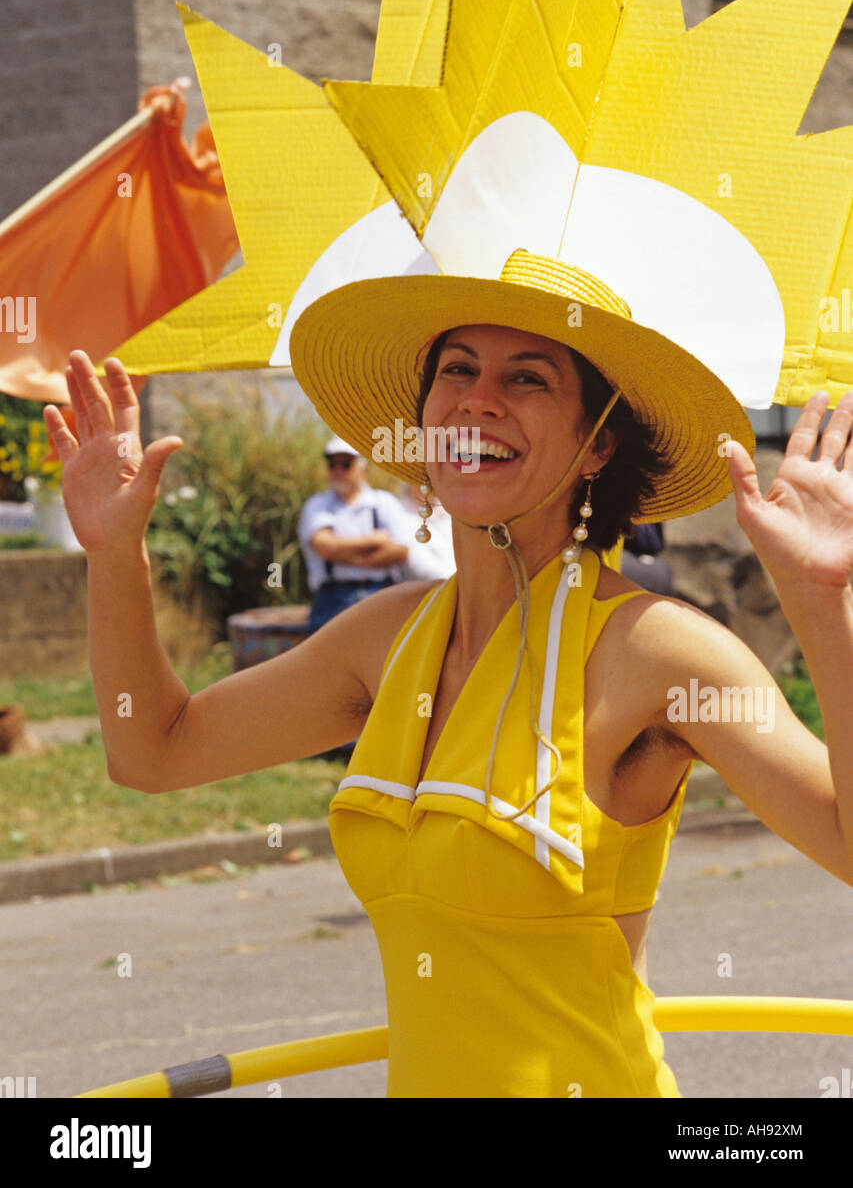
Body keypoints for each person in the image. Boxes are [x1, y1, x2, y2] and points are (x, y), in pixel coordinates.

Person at [47, 332, 853, 1098]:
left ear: (597, 443)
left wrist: (820, 604)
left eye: (527, 377)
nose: (477, 401)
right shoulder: (385, 637)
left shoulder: (656, 649)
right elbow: (151, 751)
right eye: (457, 371)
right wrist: (116, 554)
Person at [298, 436, 411, 634]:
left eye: (346, 464)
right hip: (332, 599)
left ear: (363, 467)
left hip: (381, 594)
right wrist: (375, 541)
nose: (338, 471)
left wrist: (345, 554)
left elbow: (401, 551)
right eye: (332, 465)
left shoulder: (384, 502)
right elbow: (325, 547)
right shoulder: (316, 504)